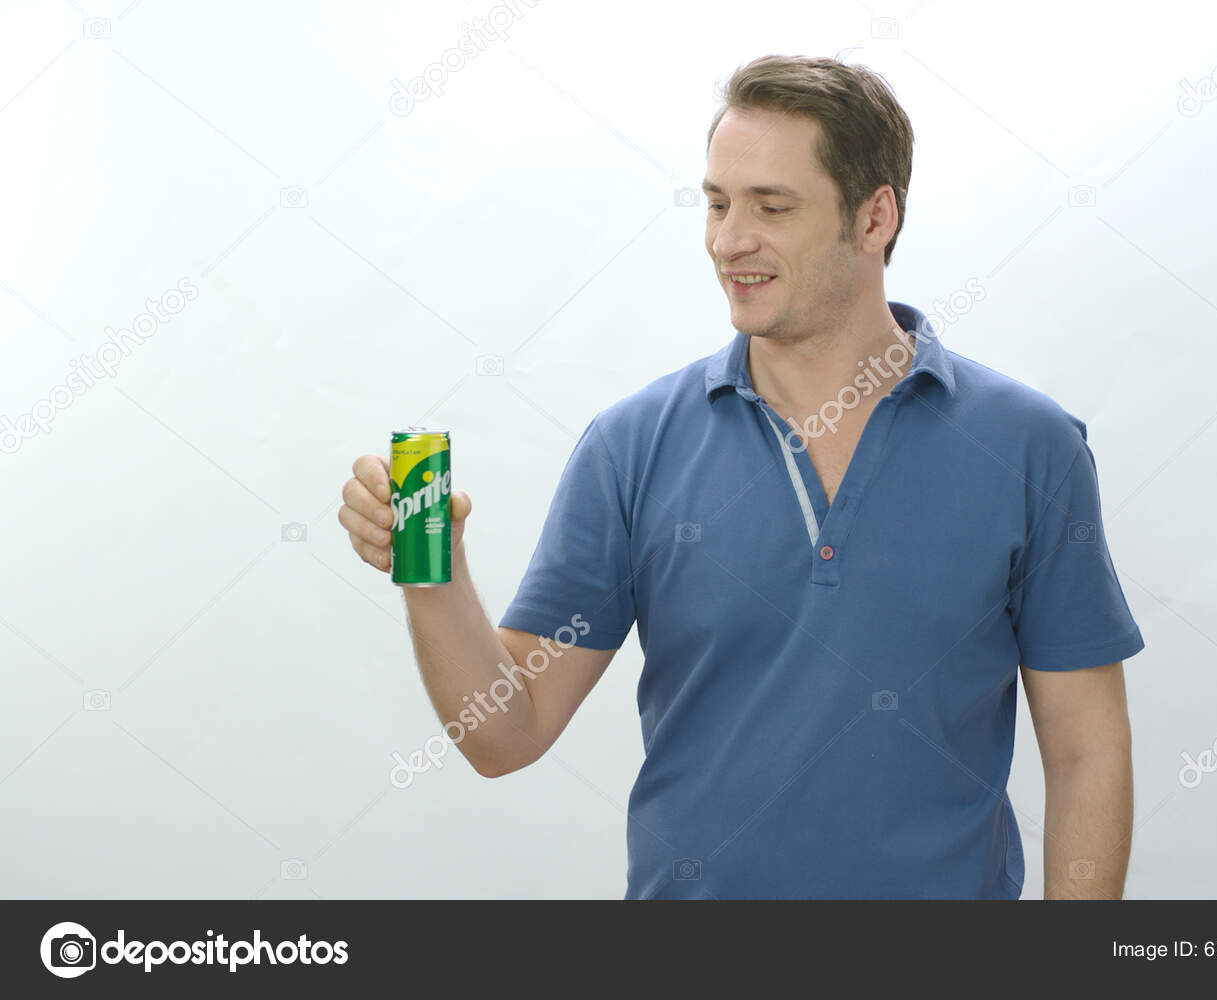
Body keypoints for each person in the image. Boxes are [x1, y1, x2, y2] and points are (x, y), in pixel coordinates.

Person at [339, 54, 1145, 899]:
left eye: (772, 206)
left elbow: (1087, 748)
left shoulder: (1027, 446)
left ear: (875, 219)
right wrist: (429, 577)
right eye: (718, 203)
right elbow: (507, 734)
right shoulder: (632, 446)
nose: (730, 240)